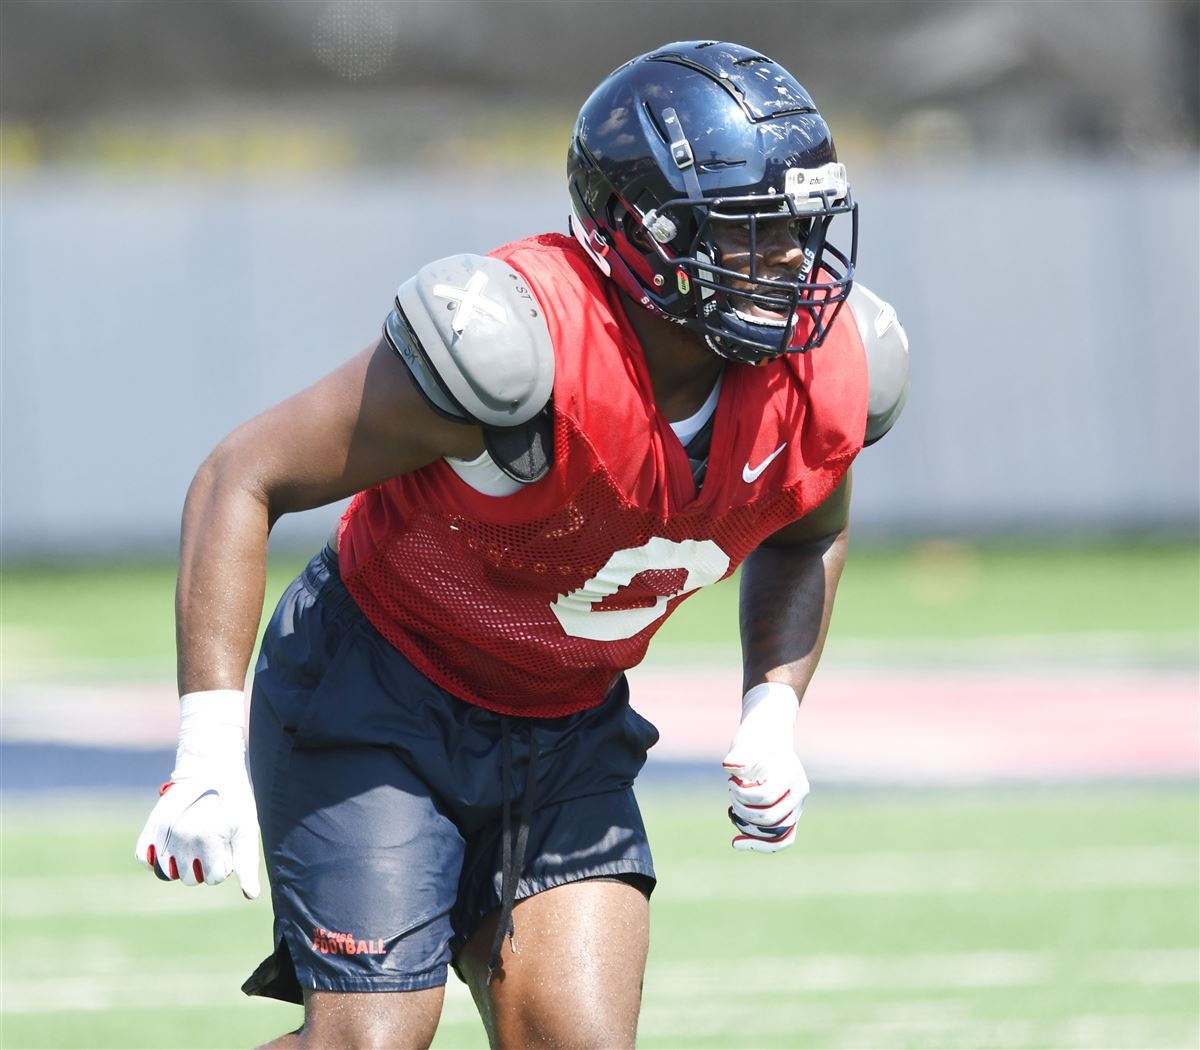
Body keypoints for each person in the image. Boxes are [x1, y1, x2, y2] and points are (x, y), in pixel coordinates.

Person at [135, 39, 908, 1049]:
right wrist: (204, 749)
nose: (794, 263)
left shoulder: (834, 372)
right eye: (750, 231)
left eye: (801, 229)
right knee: (372, 1040)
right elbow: (241, 475)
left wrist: (772, 707)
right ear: (644, 231)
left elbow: (806, 537)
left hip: (566, 724)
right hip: (378, 695)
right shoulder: (518, 346)